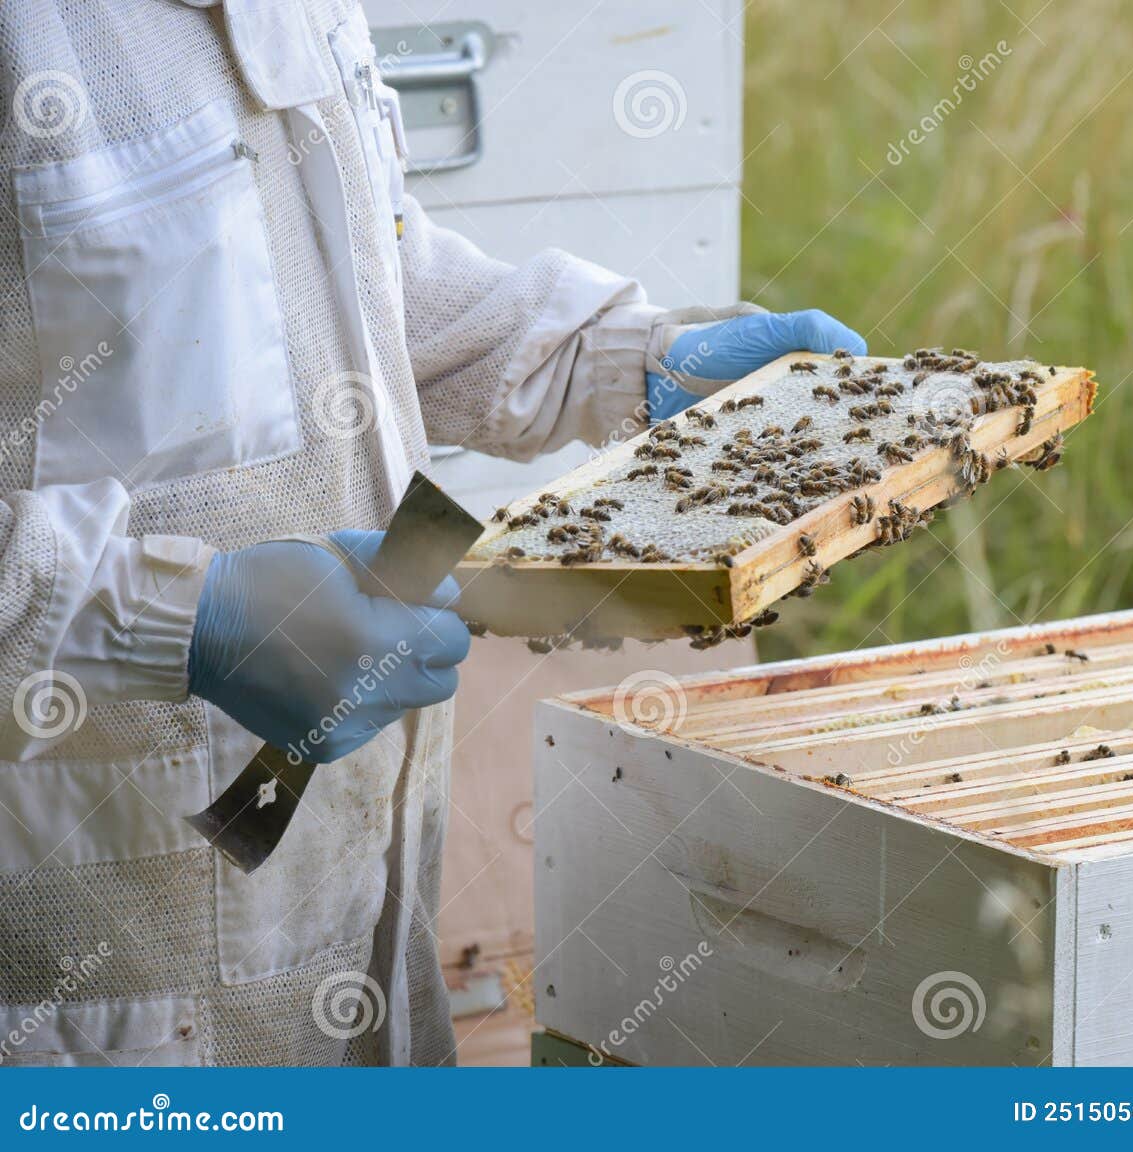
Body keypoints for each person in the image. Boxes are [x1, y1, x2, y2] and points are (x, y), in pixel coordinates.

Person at [0, 0, 862, 1066]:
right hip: (86, 976)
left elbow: (353, 273)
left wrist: (621, 359)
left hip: (350, 895)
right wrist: (182, 618)